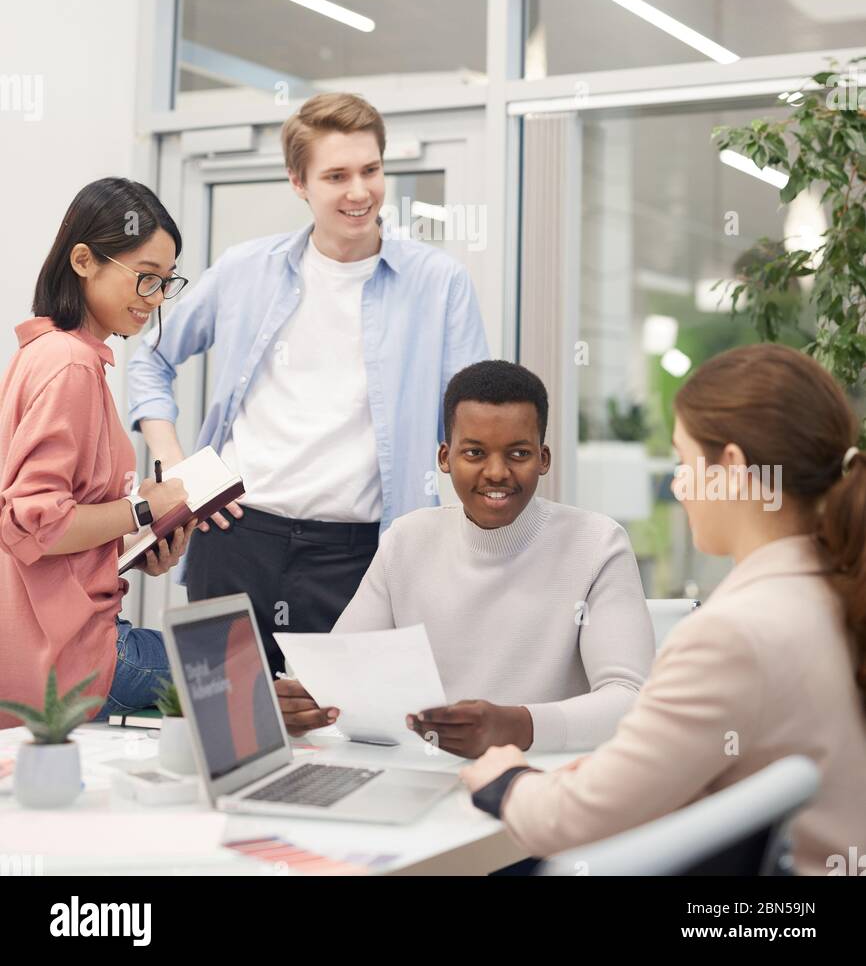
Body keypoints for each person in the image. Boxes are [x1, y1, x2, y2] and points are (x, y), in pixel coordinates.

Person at [460, 343, 866, 876]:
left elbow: (564, 820)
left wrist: (504, 775)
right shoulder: (835, 589)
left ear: (731, 468)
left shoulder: (733, 635)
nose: (678, 486)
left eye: (683, 461)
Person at [128, 92, 489, 675]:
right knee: (229, 732)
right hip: (236, 536)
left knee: (350, 729)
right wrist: (177, 469)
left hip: (360, 555)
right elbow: (151, 359)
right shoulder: (247, 269)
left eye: (371, 170)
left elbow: (475, 418)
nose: (359, 191)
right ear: (299, 183)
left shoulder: (438, 283)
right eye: (336, 175)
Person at [276, 360, 655, 755]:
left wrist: (517, 725)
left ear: (544, 459)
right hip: (420, 776)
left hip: (541, 780)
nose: (496, 472)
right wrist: (298, 706)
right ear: (445, 457)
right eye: (474, 452)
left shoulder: (597, 544)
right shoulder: (406, 540)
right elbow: (336, 676)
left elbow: (631, 700)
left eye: (518, 454)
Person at [0, 179, 197, 728]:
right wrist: (143, 509)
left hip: (46, 651)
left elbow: (55, 525)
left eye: (166, 282)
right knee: (239, 665)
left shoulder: (43, 354)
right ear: (84, 260)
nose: (155, 299)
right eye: (145, 278)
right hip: (76, 658)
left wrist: (138, 541)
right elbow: (34, 524)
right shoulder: (70, 366)